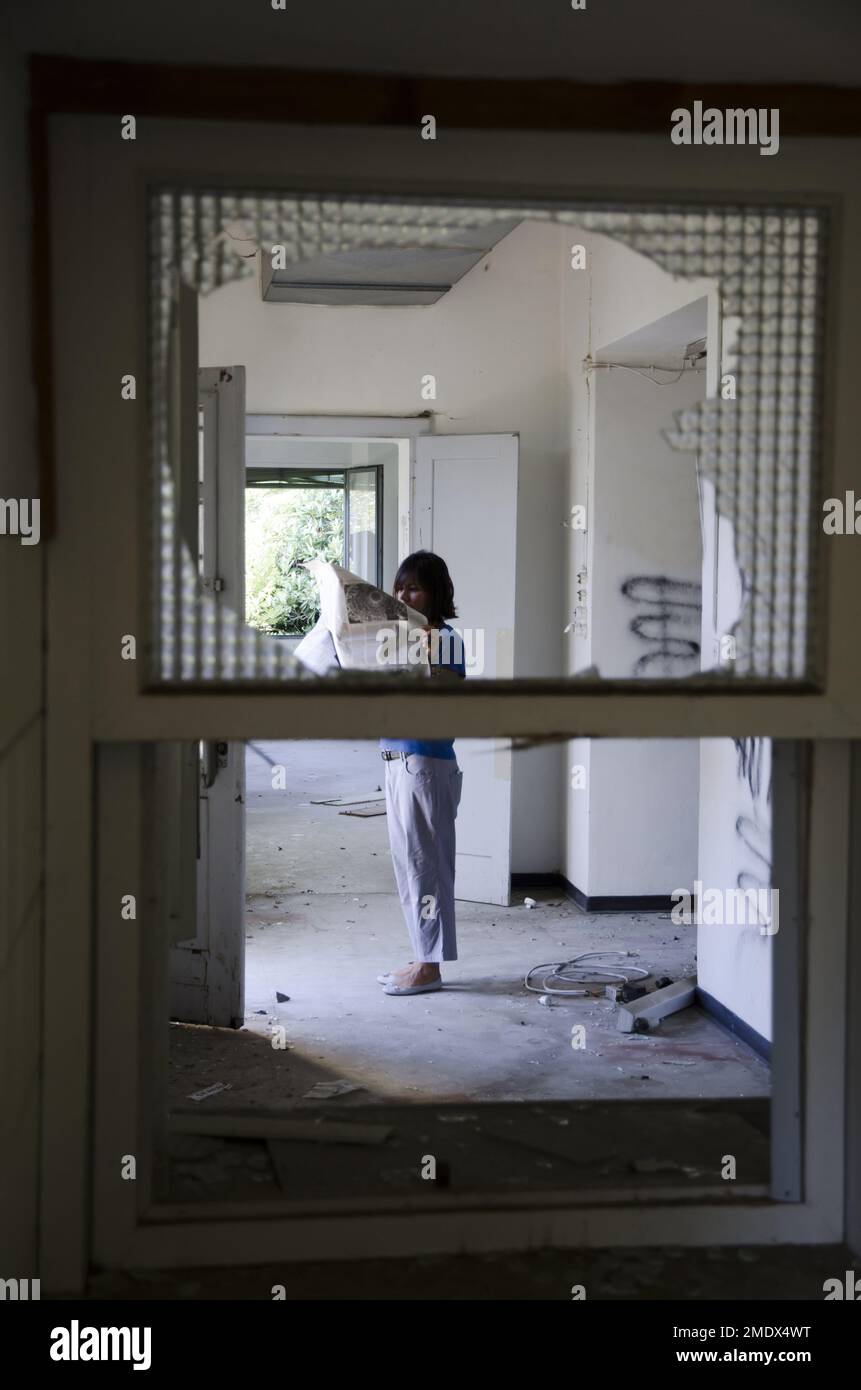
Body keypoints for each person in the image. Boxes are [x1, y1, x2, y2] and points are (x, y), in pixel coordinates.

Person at [378, 551, 466, 996]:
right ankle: (421, 955)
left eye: (413, 587)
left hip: (426, 766)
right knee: (410, 868)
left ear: (435, 593)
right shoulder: (395, 639)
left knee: (427, 871)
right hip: (397, 762)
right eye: (399, 587)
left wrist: (424, 654)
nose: (403, 594)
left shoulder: (443, 638)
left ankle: (429, 968)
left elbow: (452, 692)